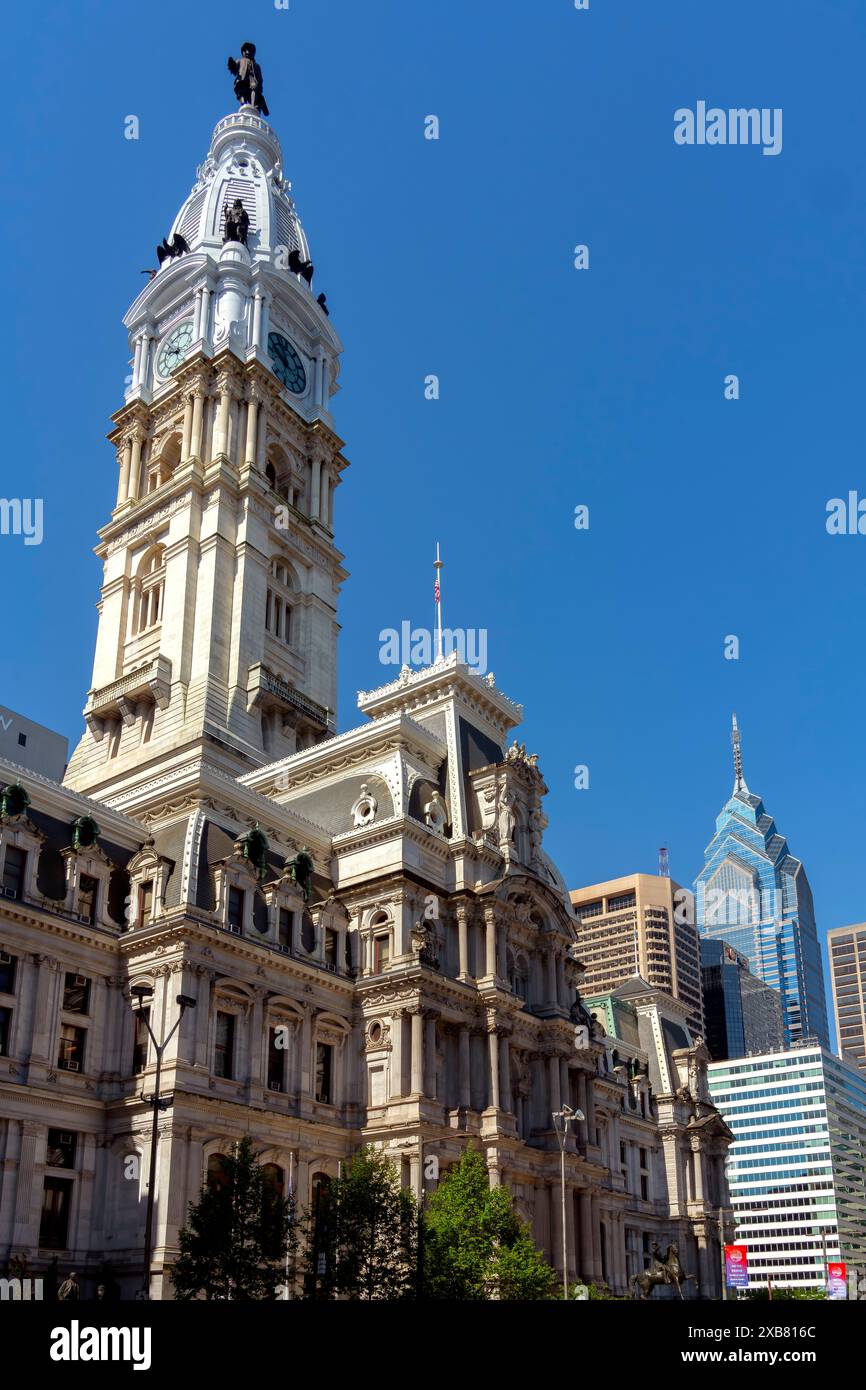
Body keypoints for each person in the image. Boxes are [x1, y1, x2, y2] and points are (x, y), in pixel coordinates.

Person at [227, 43, 269, 116]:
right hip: (242, 79)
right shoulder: (240, 60)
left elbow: (260, 78)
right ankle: (243, 103)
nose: (248, 52)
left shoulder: (256, 65)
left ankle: (252, 105)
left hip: (252, 79)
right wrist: (231, 64)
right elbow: (234, 69)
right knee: (241, 90)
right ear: (243, 51)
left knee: (254, 88)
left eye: (250, 50)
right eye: (247, 50)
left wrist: (260, 87)